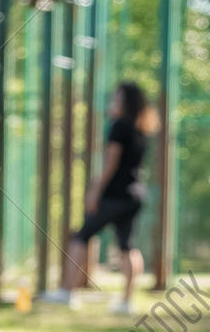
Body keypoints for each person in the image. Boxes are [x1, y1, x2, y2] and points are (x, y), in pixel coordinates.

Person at [40, 81, 157, 313]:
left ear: (125, 101)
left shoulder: (118, 127)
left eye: (117, 97)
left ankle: (66, 291)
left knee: (81, 236)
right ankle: (126, 301)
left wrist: (94, 190)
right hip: (135, 195)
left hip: (114, 194)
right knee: (127, 246)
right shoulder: (140, 129)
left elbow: (110, 163)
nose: (113, 101)